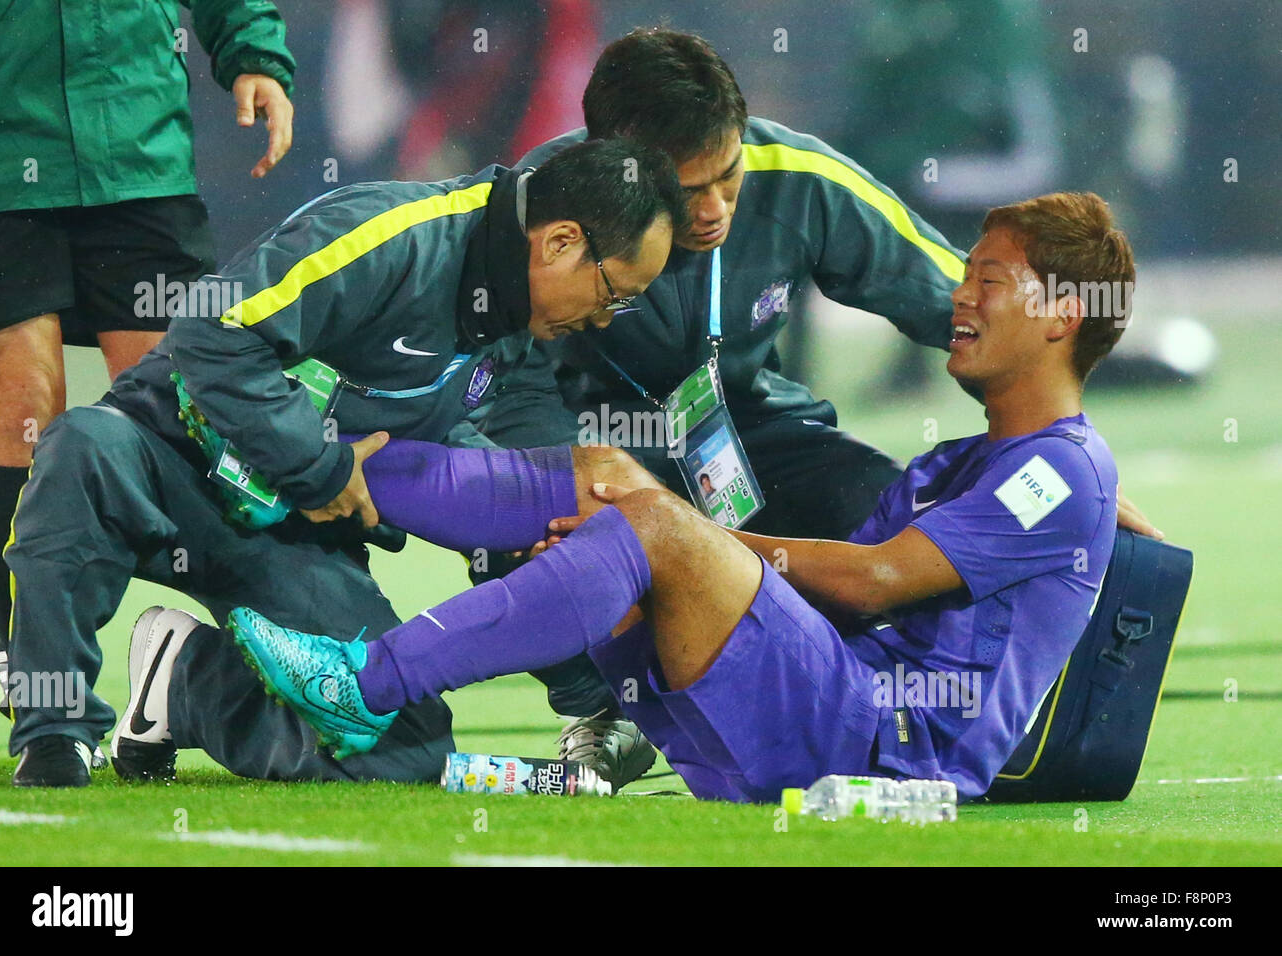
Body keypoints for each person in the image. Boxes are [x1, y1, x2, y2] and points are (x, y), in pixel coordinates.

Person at [227, 191, 1134, 802]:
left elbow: (874, 583)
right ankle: (312, 473)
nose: (959, 295)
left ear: (1063, 315)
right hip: (823, 714)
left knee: (648, 515)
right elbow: (842, 602)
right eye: (965, 272)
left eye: (988, 280)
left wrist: (669, 539)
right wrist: (621, 550)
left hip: (883, 748)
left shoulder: (1060, 471)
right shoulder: (969, 464)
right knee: (601, 475)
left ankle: (367, 684)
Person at [469, 27, 1159, 783]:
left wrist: (1057, 451)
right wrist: (596, 487)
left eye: (726, 175)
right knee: (518, 506)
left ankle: (882, 700)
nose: (712, 210)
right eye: (684, 189)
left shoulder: (798, 175)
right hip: (589, 432)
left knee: (880, 508)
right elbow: (500, 379)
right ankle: (604, 710)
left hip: (747, 427)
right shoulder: (543, 207)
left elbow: (952, 295)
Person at [3, 137, 684, 787]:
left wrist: (532, 518)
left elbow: (455, 452)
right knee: (81, 445)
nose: (606, 318)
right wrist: (317, 466)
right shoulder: (390, 233)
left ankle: (181, 683)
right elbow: (212, 330)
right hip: (163, 459)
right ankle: (54, 731)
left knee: (400, 748)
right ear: (562, 241)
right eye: (614, 292)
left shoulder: (515, 321)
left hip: (293, 533)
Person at [0, 0, 297, 712]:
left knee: (184, 409)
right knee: (20, 401)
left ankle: (262, 651)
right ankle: (36, 671)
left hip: (135, 146)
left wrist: (255, 56)